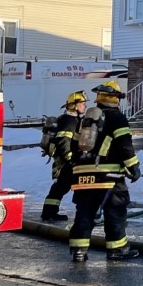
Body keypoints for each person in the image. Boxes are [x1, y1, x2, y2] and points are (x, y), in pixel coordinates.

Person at [67, 80, 141, 262]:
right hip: (108, 177)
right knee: (115, 213)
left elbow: (74, 146)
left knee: (84, 213)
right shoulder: (117, 118)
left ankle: (78, 250)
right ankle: (117, 250)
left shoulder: (85, 120)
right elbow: (125, 146)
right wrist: (134, 168)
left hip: (82, 175)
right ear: (116, 98)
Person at [41, 91, 87, 222]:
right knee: (63, 186)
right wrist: (69, 158)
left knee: (61, 187)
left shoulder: (73, 119)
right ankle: (50, 213)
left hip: (66, 160)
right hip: (66, 161)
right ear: (74, 105)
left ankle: (49, 212)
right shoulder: (69, 121)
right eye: (82, 103)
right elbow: (63, 141)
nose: (85, 106)